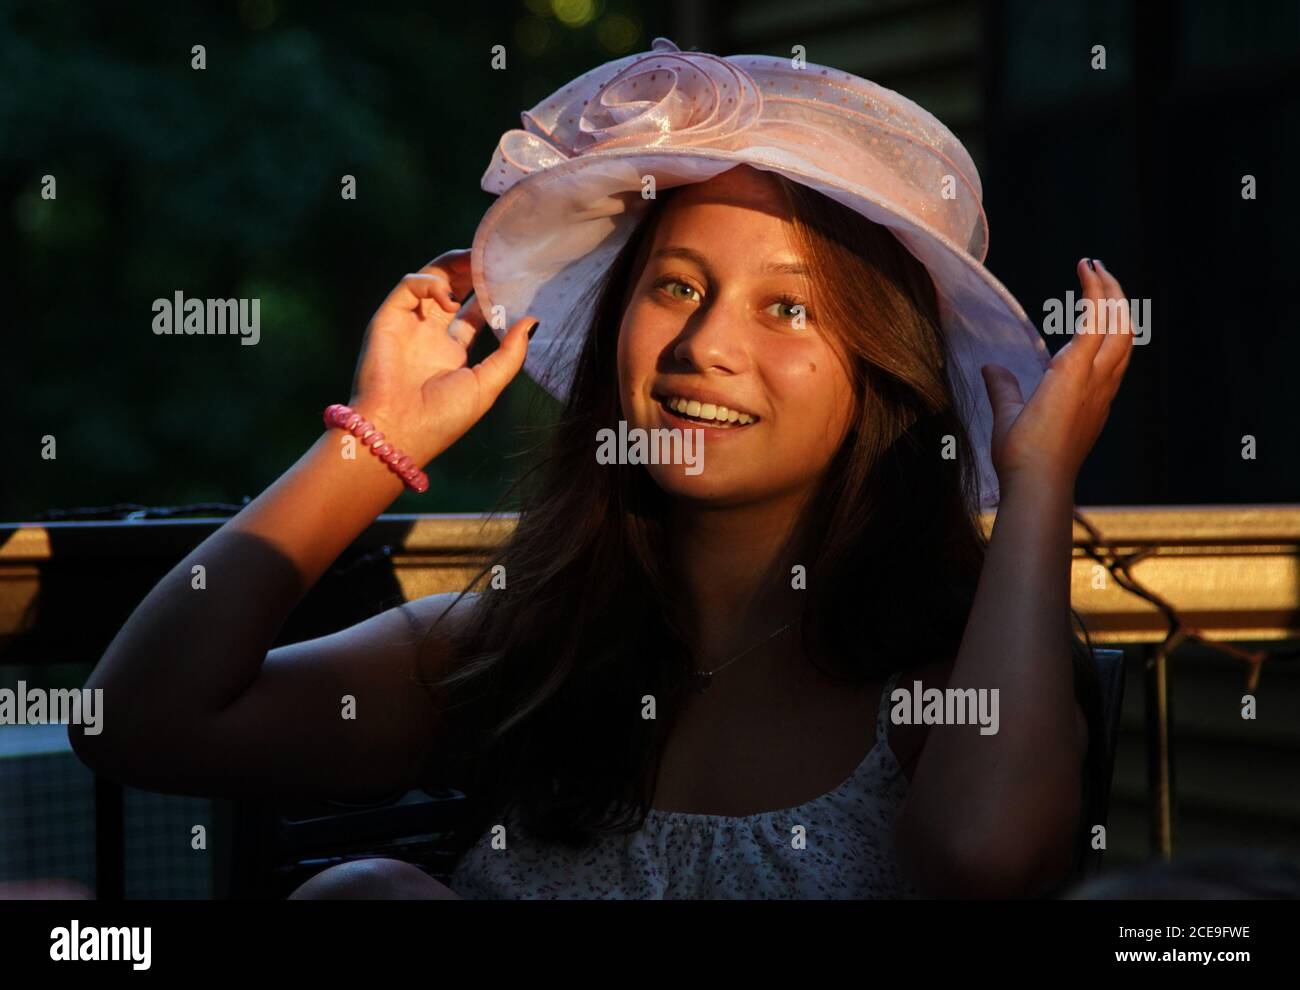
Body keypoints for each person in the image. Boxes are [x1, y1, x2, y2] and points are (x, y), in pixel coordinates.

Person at [72, 39, 1134, 900]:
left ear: (880, 375)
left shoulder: (939, 680)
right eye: (675, 287)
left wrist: (1037, 487)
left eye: (788, 309)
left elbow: (990, 862)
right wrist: (370, 443)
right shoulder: (519, 649)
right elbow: (133, 724)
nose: (704, 346)